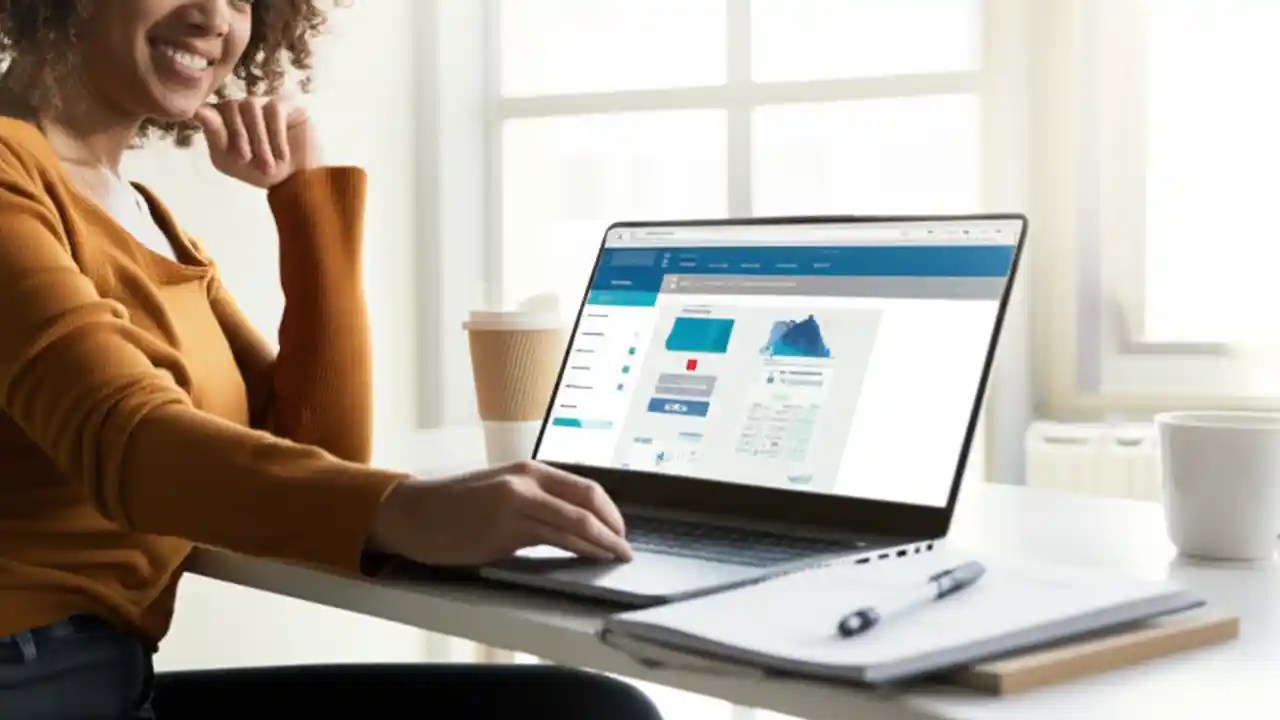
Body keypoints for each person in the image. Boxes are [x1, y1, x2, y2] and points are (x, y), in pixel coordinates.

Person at [0, 1, 660, 718]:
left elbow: (321, 450)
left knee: (586, 709)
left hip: (101, 676)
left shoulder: (137, 212)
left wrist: (306, 199)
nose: (213, 16)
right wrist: (409, 505)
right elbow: (127, 441)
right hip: (31, 674)